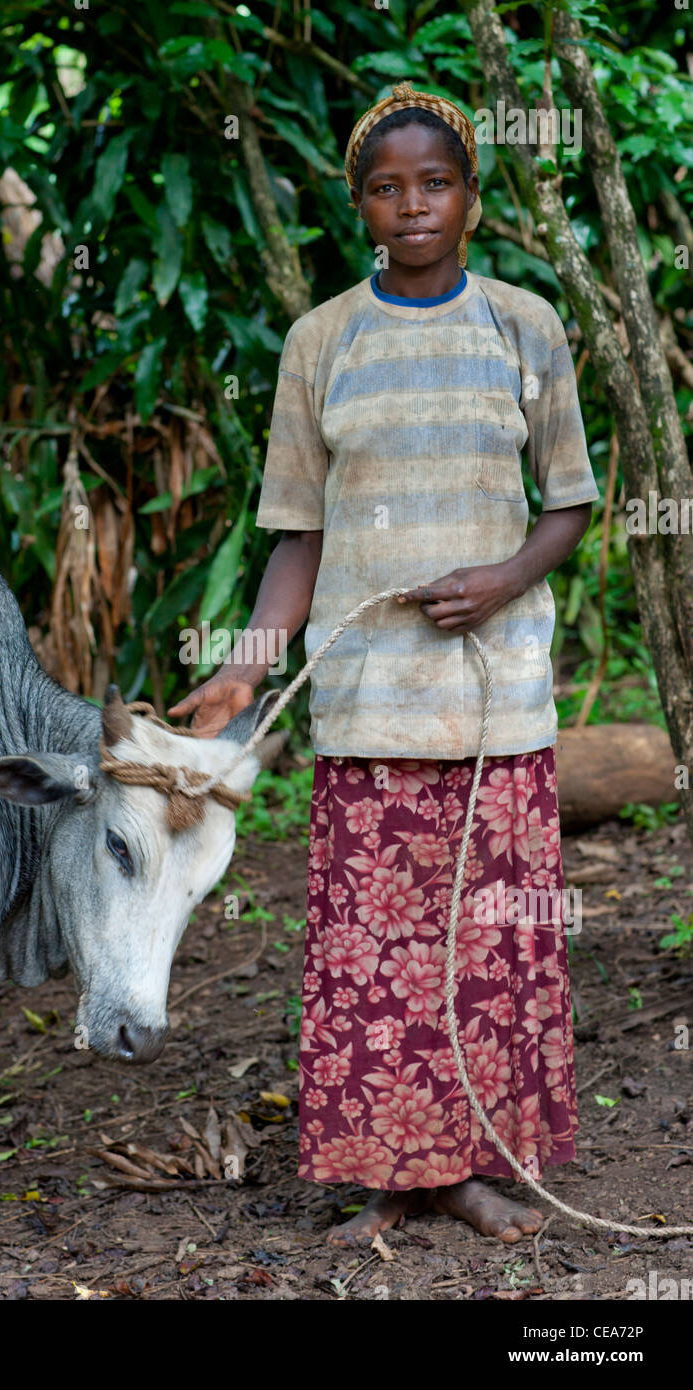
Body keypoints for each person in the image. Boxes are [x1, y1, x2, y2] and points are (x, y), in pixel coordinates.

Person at [167, 81, 599, 1246]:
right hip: (365, 707)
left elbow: (569, 504)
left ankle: (467, 1169)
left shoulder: (524, 326)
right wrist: (247, 669)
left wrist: (504, 578)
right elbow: (298, 536)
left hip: (494, 698)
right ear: (357, 203)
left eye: (436, 183)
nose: (412, 206)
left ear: (469, 196)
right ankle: (391, 1176)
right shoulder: (321, 342)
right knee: (377, 953)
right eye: (386, 188)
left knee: (484, 945)